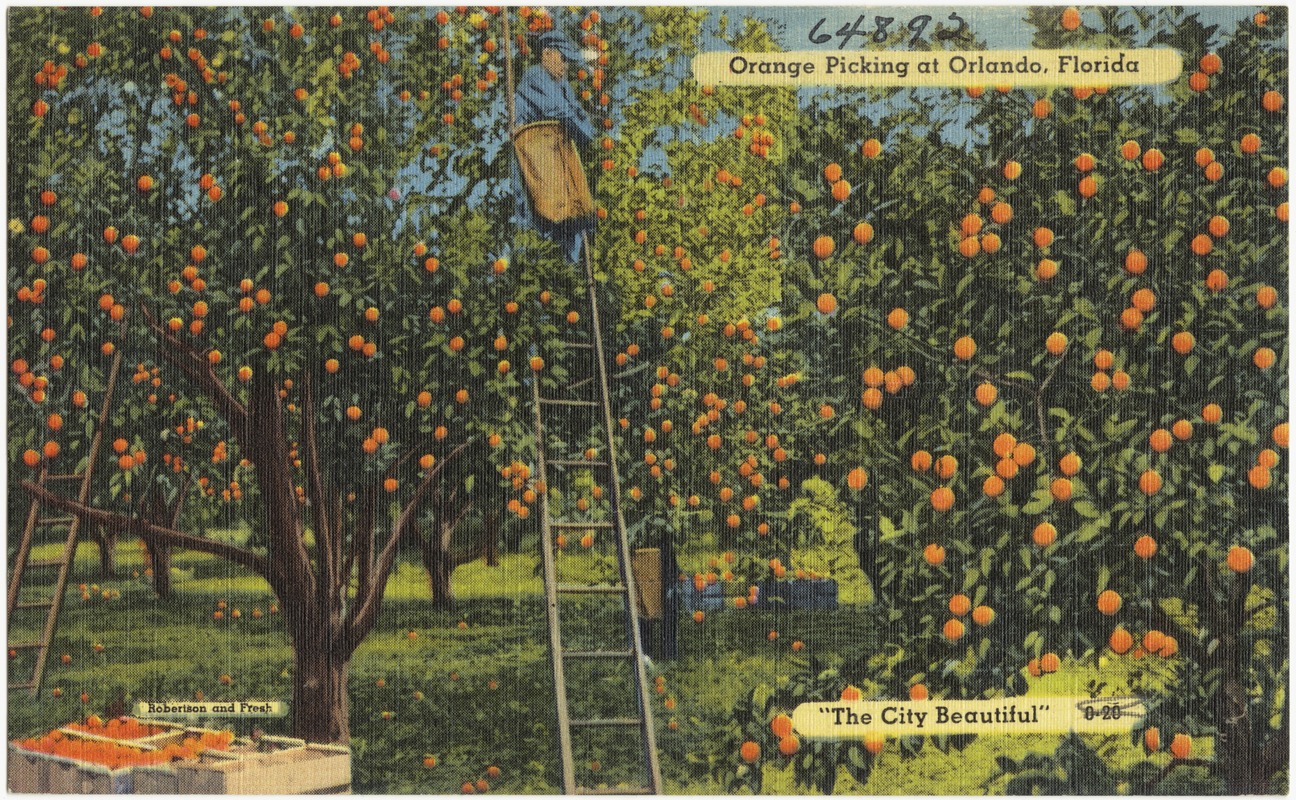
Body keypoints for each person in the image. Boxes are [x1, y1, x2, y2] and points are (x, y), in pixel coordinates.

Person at [512, 30, 597, 262]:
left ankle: (570, 260)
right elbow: (559, 111)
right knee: (549, 211)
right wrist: (583, 130)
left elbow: (578, 114)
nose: (565, 66)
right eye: (563, 59)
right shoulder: (537, 76)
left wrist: (585, 129)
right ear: (547, 54)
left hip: (555, 153)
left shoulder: (560, 83)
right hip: (536, 151)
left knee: (574, 212)